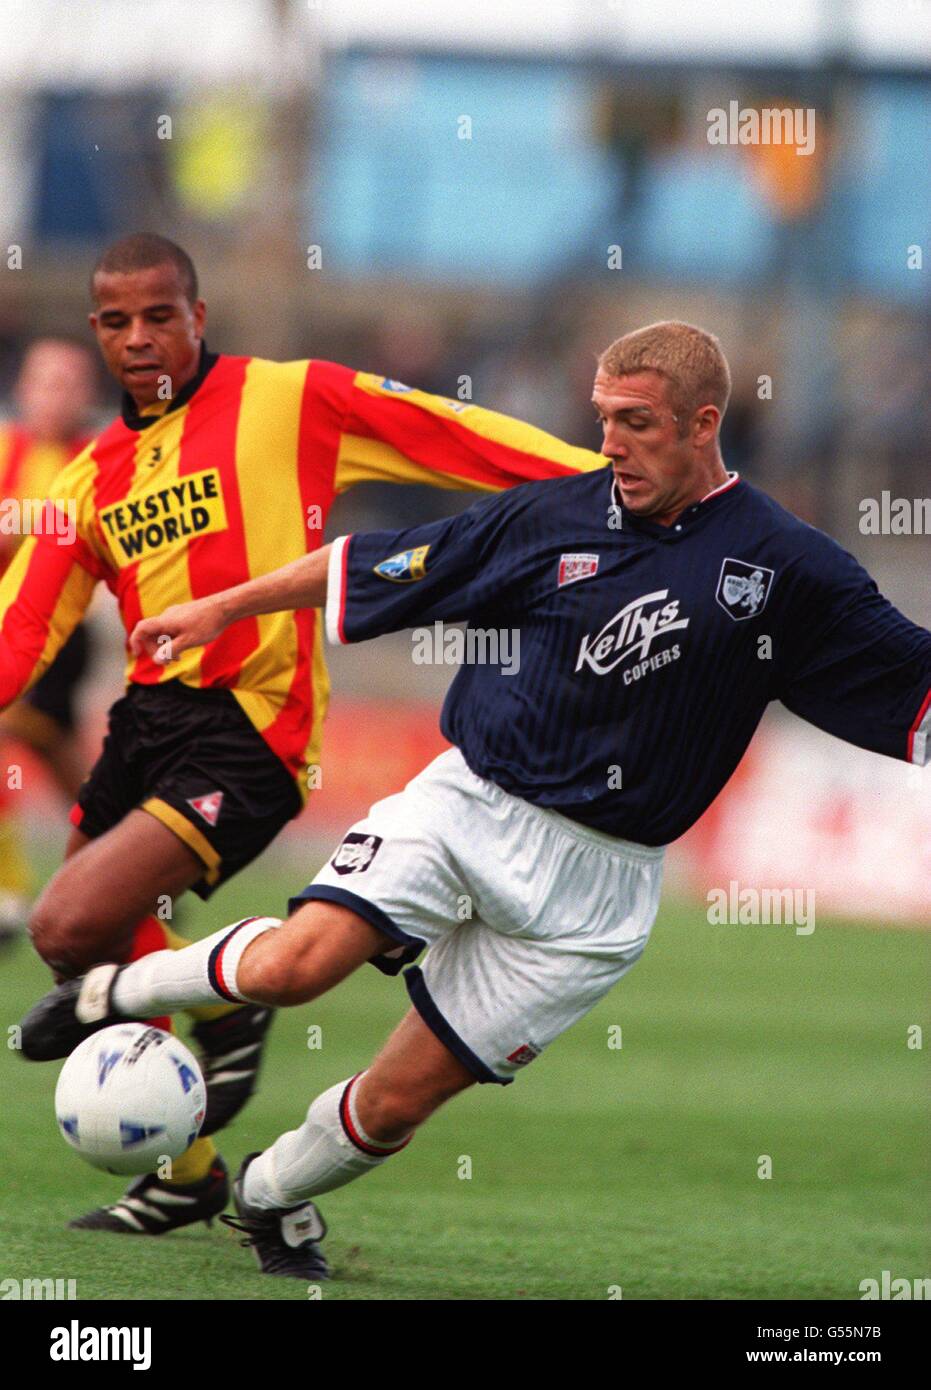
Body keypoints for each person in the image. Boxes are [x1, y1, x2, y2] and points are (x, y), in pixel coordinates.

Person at [25, 320, 930, 1278]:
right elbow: (375, 561)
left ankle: (266, 1198)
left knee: (392, 1105)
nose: (611, 443)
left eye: (637, 423)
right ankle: (103, 993)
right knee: (297, 967)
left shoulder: (791, 569)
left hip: (595, 897)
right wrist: (219, 607)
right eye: (602, 419)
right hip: (467, 805)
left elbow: (912, 688)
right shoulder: (551, 515)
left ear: (704, 424)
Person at [0, 232, 602, 1234]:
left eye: (160, 314)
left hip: (249, 728)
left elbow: (452, 435)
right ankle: (188, 1171)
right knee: (86, 952)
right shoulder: (87, 480)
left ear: (200, 317)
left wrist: (605, 485)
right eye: (116, 321)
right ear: (98, 331)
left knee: (65, 925)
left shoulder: (290, 398)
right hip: (144, 724)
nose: (139, 337)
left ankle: (227, 999)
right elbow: (21, 631)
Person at [0, 340, 99, 941]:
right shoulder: (6, 451)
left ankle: (16, 888)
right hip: (4, 631)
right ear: (22, 388)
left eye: (69, 382)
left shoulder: (98, 460)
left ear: (88, 394)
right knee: (68, 772)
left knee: (45, 757)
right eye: (46, 381)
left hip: (59, 637)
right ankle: (125, 868)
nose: (56, 394)